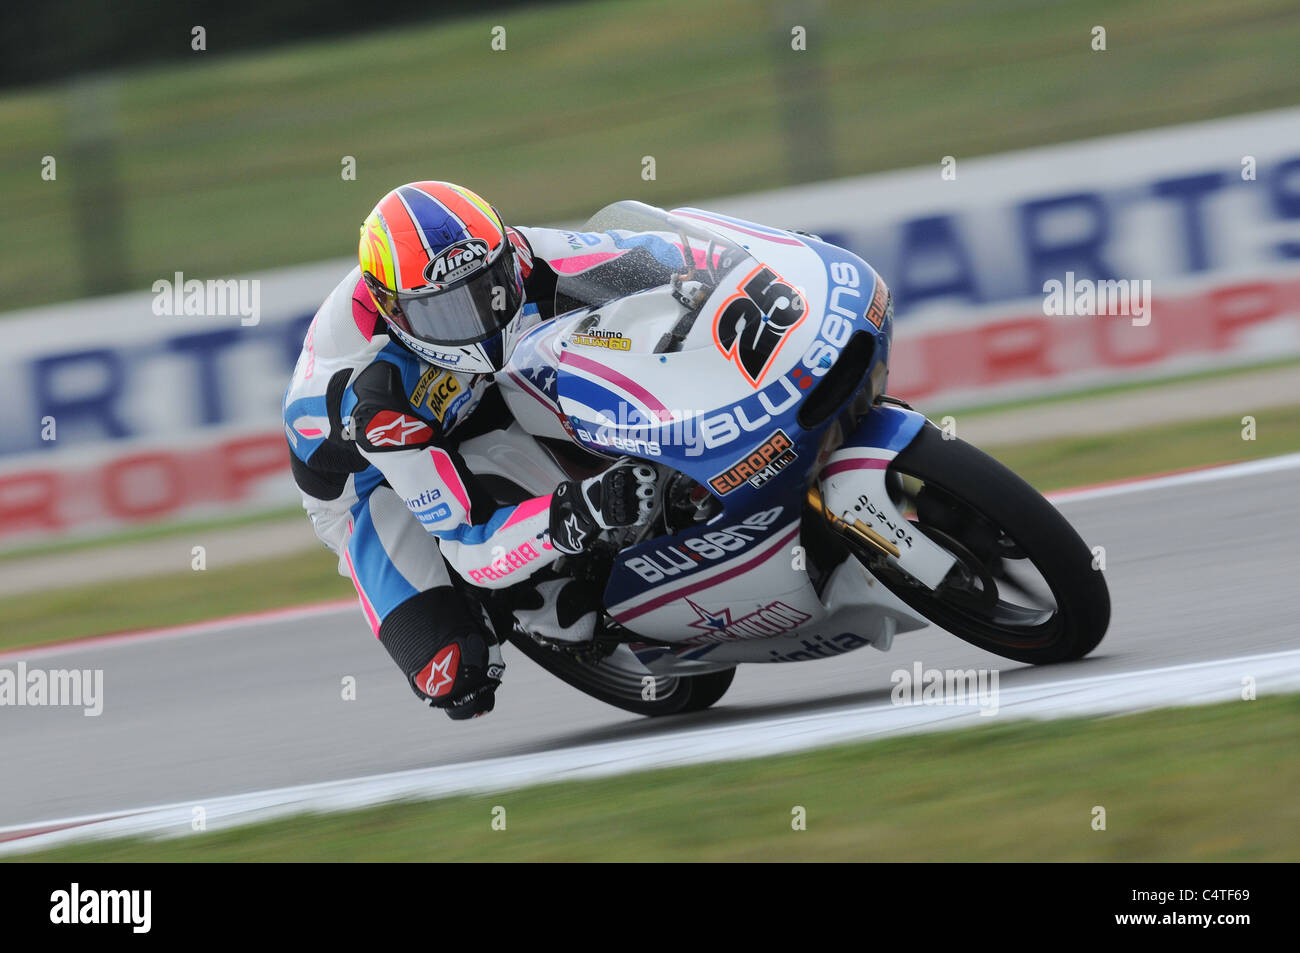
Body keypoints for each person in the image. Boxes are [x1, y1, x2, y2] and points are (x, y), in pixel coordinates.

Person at [283, 181, 663, 720]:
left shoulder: (512, 251)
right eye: (445, 314)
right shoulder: (373, 397)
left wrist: (752, 267)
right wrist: (579, 511)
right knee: (457, 678)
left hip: (481, 395)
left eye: (488, 290)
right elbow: (470, 540)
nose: (479, 322)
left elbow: (642, 258)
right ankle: (524, 603)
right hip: (378, 483)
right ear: (394, 312)